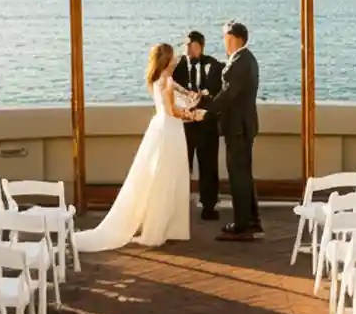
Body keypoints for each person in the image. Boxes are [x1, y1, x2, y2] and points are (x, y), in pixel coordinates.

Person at [73, 43, 195, 252]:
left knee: (167, 177)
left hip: (165, 129)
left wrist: (192, 97)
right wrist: (191, 115)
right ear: (167, 59)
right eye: (173, 56)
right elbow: (172, 110)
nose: (176, 59)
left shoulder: (163, 79)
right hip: (169, 130)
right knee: (165, 178)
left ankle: (168, 227)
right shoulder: (165, 80)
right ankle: (158, 230)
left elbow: (182, 95)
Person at [195, 20, 261, 242]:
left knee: (238, 176)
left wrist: (206, 109)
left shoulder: (239, 62)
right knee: (245, 174)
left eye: (225, 37)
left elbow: (228, 94)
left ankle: (242, 226)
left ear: (232, 38)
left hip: (237, 128)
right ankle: (252, 221)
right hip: (245, 125)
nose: (224, 41)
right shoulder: (247, 59)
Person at [173, 31, 223, 220]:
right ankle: (178, 206)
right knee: (182, 165)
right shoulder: (176, 65)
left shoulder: (213, 65)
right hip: (184, 124)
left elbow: (218, 89)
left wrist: (203, 97)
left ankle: (208, 206)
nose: (187, 49)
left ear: (200, 46)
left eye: (191, 45)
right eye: (185, 45)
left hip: (206, 124)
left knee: (208, 165)